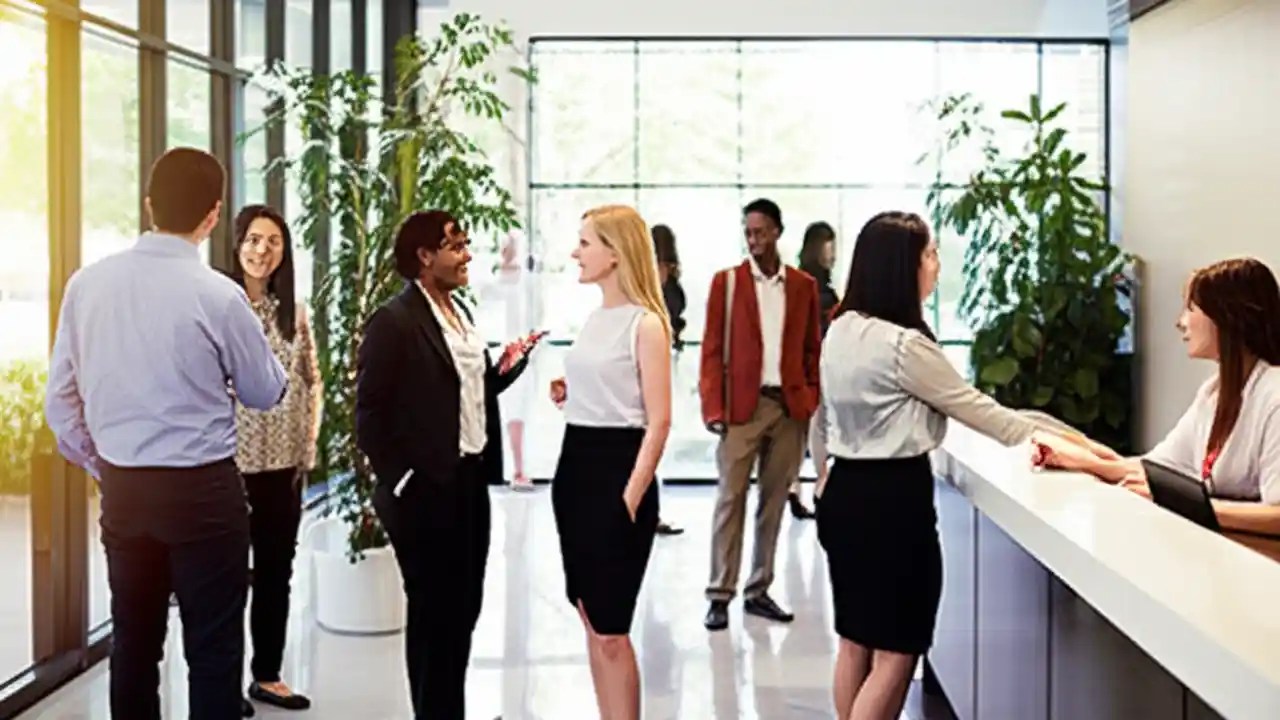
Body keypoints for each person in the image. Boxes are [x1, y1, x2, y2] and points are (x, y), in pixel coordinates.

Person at [45, 147, 287, 720]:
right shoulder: (219, 295)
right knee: (213, 651)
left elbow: (60, 406)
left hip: (125, 492)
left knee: (133, 643)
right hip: (204, 494)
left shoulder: (87, 285)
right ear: (212, 216)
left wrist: (108, 465)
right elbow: (264, 392)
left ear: (149, 204)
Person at [817, 211, 1069, 720]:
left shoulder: (841, 329)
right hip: (893, 503)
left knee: (855, 640)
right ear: (901, 267)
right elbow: (984, 414)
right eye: (929, 254)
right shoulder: (906, 347)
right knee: (898, 648)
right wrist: (1078, 446)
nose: (936, 264)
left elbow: (821, 421)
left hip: (845, 495)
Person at [355, 211, 536, 720]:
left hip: (469, 481)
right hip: (425, 489)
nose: (466, 255)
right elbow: (369, 414)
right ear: (423, 256)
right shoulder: (394, 320)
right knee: (434, 616)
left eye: (465, 243)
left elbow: (467, 390)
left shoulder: (459, 313)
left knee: (464, 610)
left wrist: (506, 367)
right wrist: (404, 480)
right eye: (455, 245)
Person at [1036, 257, 1280, 535]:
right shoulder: (1213, 393)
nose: (1181, 322)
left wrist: (1190, 506)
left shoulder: (1273, 396)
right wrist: (1083, 459)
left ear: (1226, 317)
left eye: (1191, 309)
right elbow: (1156, 471)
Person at [548, 205, 672, 720]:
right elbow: (608, 391)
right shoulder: (597, 319)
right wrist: (570, 393)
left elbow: (659, 421)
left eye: (585, 242)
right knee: (591, 619)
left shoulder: (646, 325)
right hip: (575, 466)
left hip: (615, 474)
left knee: (613, 629)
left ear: (616, 254)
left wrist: (630, 496)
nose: (576, 252)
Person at [699, 198, 822, 631]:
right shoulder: (727, 284)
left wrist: (809, 399)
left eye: (761, 232)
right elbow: (711, 349)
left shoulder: (803, 286)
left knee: (773, 502)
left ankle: (759, 588)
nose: (754, 240)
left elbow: (812, 348)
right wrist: (713, 407)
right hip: (740, 409)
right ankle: (719, 593)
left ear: (777, 232)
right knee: (730, 499)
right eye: (748, 232)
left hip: (788, 408)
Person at [227, 205, 321, 711]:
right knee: (224, 576)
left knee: (274, 573)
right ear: (237, 243)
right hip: (227, 464)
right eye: (254, 240)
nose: (262, 251)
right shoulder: (219, 304)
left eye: (274, 242)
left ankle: (267, 674)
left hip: (283, 467)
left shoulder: (294, 312)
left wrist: (307, 450)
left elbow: (313, 379)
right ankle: (222, 682)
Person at [790, 220, 839, 520]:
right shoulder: (816, 285)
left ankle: (797, 487)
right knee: (816, 427)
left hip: (800, 363)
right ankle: (820, 485)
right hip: (813, 363)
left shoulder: (797, 280)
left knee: (803, 429)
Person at [650, 223, 686, 536]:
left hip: (666, 353)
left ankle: (651, 510)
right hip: (661, 355)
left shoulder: (664, 277)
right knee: (656, 431)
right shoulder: (662, 278)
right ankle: (651, 510)